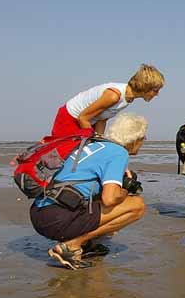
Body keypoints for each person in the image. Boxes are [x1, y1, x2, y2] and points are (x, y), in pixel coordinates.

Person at [30, 113, 149, 269]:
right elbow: (109, 199)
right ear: (135, 139)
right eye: (143, 138)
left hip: (39, 212)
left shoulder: (92, 144)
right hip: (56, 219)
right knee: (137, 206)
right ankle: (71, 246)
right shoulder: (118, 152)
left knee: (100, 199)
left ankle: (87, 245)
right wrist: (126, 189)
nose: (144, 141)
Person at [49, 64, 164, 138]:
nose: (157, 94)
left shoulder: (129, 98)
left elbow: (102, 120)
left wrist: (100, 140)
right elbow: (83, 118)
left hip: (87, 122)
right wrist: (94, 144)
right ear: (145, 87)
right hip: (70, 118)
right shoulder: (114, 96)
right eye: (155, 90)